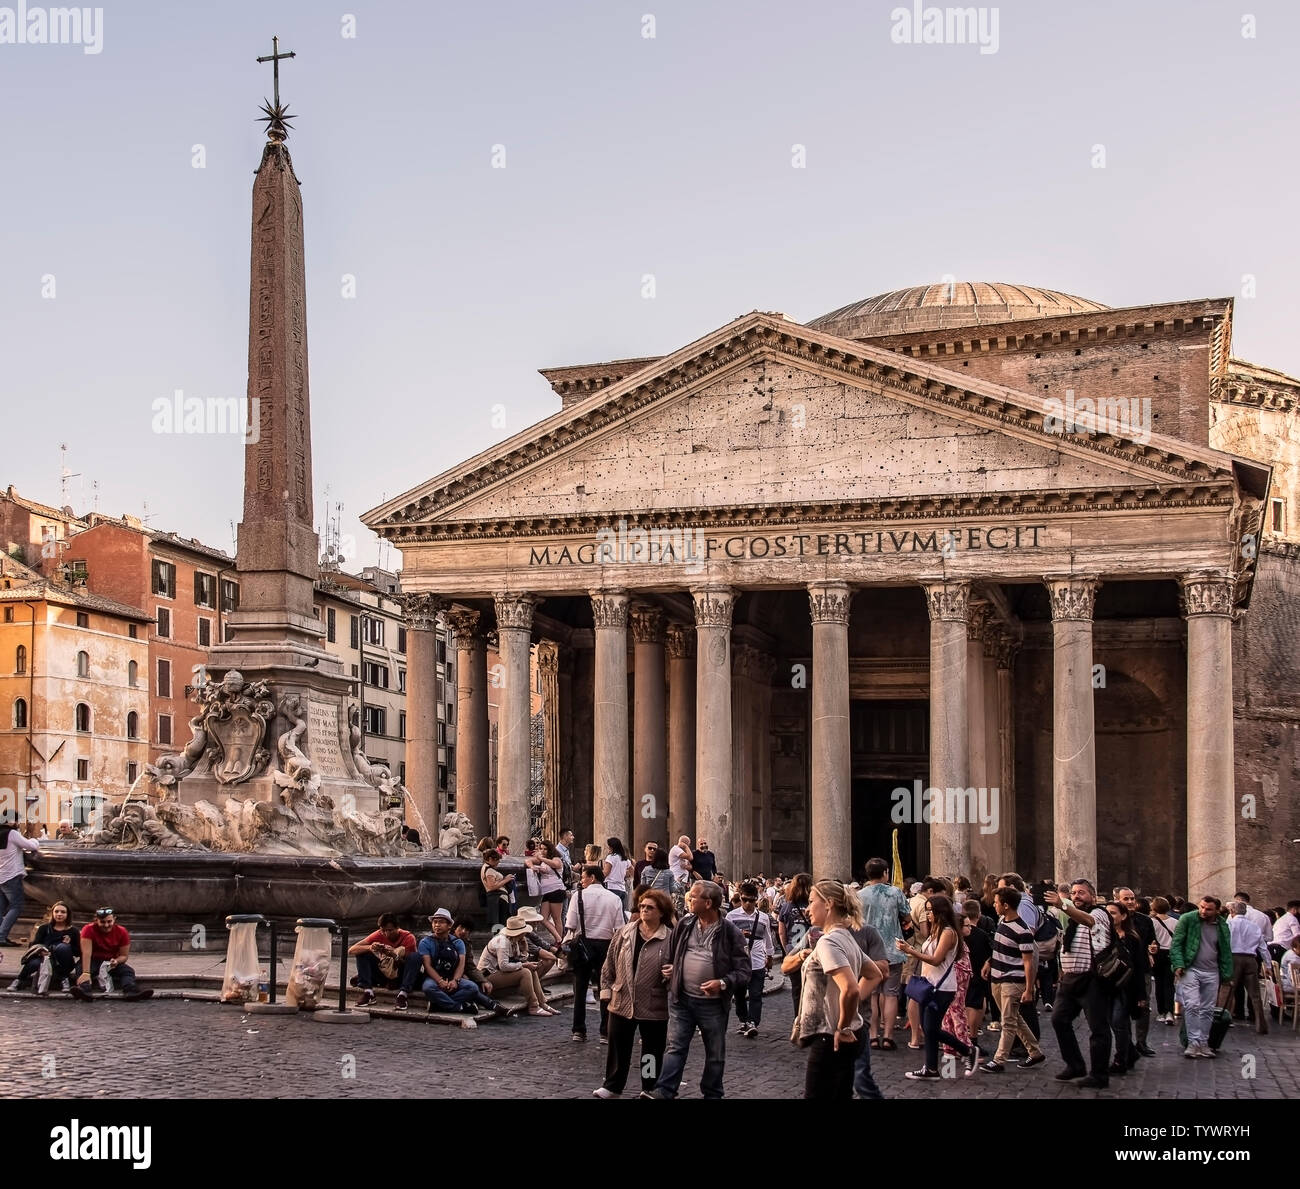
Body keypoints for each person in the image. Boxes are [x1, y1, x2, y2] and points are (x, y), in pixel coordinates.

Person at [641, 881, 749, 1100]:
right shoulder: (685, 924)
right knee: (675, 1046)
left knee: (715, 1053)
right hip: (682, 998)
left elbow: (744, 970)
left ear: (708, 903)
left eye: (693, 897)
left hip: (713, 1003)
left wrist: (722, 982)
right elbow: (672, 954)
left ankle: (712, 1093)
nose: (688, 900)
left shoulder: (730, 932)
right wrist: (672, 970)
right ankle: (664, 1090)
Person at [786, 880, 866, 1099]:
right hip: (847, 1034)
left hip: (830, 1036)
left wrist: (843, 1026)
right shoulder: (846, 937)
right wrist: (849, 1013)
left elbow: (850, 988)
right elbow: (875, 974)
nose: (807, 908)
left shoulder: (827, 942)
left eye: (812, 902)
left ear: (828, 904)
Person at [594, 887, 674, 1098]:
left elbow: (678, 967)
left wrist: (672, 973)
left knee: (651, 1050)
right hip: (622, 998)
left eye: (650, 907)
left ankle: (648, 1085)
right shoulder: (625, 932)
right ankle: (612, 1086)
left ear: (662, 912)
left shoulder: (670, 939)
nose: (644, 910)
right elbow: (608, 964)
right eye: (642, 906)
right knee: (618, 1047)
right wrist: (605, 992)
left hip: (653, 1002)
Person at [896, 894, 977, 1079]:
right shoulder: (936, 931)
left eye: (931, 910)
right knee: (928, 1027)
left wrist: (910, 951)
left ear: (941, 912)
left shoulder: (948, 932)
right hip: (929, 984)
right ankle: (931, 1068)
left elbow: (936, 959)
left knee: (932, 1028)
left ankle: (967, 1050)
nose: (928, 914)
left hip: (941, 988)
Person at [1045, 880, 1115, 1087]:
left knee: (1098, 1028)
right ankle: (1075, 1064)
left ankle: (1099, 1075)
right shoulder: (1073, 919)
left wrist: (1063, 905)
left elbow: (1089, 921)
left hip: (1093, 979)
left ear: (1092, 896)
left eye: (1082, 893)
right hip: (1070, 979)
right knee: (1059, 1020)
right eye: (1074, 893)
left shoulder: (1099, 913)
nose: (1077, 896)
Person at [565, 863, 625, 1043]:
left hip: (583, 944)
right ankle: (605, 1031)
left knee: (580, 988)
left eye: (583, 877)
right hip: (606, 946)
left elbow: (571, 924)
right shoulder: (614, 899)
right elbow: (619, 929)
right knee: (605, 989)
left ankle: (579, 1030)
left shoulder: (578, 896)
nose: (581, 881)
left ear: (592, 877)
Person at [858, 857, 911, 1052]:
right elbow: (907, 916)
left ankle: (872, 1036)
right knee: (890, 995)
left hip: (867, 951)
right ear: (886, 872)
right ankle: (888, 1036)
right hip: (891, 950)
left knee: (871, 995)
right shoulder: (895, 892)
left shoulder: (860, 895)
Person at [1171, 895, 1233, 1058]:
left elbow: (1225, 950)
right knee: (1192, 1005)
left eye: (1208, 909)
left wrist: (1227, 974)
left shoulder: (1222, 925)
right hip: (1190, 968)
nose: (1204, 911)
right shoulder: (1187, 919)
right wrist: (1178, 964)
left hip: (1212, 971)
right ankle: (1193, 1042)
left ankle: (1204, 1043)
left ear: (1217, 910)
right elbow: (1176, 943)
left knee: (1207, 1009)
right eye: (1202, 907)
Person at [418, 908, 503, 1015]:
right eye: (435, 922)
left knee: (473, 988)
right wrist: (440, 981)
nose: (437, 925)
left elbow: (465, 965)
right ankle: (460, 1007)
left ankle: (439, 1004)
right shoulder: (426, 942)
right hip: (434, 978)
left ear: (449, 925)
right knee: (428, 987)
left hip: (454, 977)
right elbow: (427, 965)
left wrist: (456, 980)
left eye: (441, 922)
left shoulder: (460, 943)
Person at [1103, 900, 1149, 1074]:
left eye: (1113, 913)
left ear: (1123, 916)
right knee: (1113, 1022)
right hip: (1107, 986)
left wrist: (1141, 995)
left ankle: (1120, 1060)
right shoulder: (1102, 935)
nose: (1109, 916)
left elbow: (1138, 967)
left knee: (1118, 1022)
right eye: (1107, 912)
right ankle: (1130, 1053)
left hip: (1125, 987)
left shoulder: (1131, 938)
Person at [478, 916, 558, 1015]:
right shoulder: (502, 941)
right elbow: (503, 965)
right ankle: (533, 1006)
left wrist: (524, 950)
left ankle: (542, 1002)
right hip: (487, 977)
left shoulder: (514, 941)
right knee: (525, 972)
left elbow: (518, 959)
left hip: (498, 972)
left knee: (530, 970)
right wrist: (523, 965)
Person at [71, 908, 153, 1001]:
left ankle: (131, 990)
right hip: (92, 959)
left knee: (128, 971)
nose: (106, 925)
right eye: (102, 922)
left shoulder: (122, 931)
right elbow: (86, 953)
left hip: (110, 962)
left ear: (114, 919)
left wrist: (116, 961)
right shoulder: (88, 929)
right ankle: (84, 990)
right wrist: (86, 972)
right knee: (81, 969)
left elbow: (124, 956)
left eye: (109, 922)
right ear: (96, 921)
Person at [725, 880, 771, 1038]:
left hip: (757, 961)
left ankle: (753, 1022)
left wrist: (769, 956)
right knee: (739, 995)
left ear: (756, 900)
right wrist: (739, 934)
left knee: (756, 994)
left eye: (751, 900)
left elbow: (768, 938)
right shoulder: (731, 916)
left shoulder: (763, 917)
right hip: (738, 963)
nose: (748, 904)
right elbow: (725, 938)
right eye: (745, 900)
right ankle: (744, 1020)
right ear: (740, 899)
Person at [347, 912, 421, 1009]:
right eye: (383, 930)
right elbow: (351, 950)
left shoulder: (408, 938)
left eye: (390, 930)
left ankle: (403, 994)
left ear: (397, 927)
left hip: (400, 974)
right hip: (384, 972)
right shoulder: (378, 934)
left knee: (415, 956)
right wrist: (370, 947)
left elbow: (410, 965)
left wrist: (394, 956)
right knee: (362, 953)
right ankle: (368, 992)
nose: (387, 934)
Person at [1115, 887, 1156, 1055]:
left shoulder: (1145, 921)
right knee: (1122, 1007)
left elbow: (1152, 942)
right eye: (1126, 899)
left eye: (1132, 898)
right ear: (1118, 900)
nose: (1131, 902)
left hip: (1142, 969)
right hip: (1120, 971)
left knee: (1143, 1005)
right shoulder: (1113, 920)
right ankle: (1127, 1043)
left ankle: (1141, 1042)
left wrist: (1153, 949)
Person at [1226, 899, 1271, 1035]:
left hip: (1234, 958)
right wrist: (1268, 965)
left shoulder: (1229, 924)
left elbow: (1224, 942)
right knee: (1255, 994)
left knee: (1229, 991)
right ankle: (1261, 1025)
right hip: (1251, 959)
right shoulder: (1254, 926)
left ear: (1232, 911)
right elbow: (1263, 948)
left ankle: (1224, 1019)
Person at [13, 901, 79, 992]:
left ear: (68, 914)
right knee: (34, 963)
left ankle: (64, 979)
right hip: (45, 958)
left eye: (63, 912)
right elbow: (33, 945)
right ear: (52, 913)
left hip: (63, 962)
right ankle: (19, 980)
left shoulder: (73, 931)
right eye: (56, 912)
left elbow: (78, 952)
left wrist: (69, 945)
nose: (59, 914)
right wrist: (41, 950)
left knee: (63, 947)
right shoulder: (44, 928)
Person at [0, 810, 39, 946]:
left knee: (1, 907)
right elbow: (31, 846)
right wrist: (35, 839)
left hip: (1, 876)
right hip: (11, 875)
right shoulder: (12, 833)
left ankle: (2, 935)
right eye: (16, 820)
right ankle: (1, 936)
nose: (17, 823)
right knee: (17, 906)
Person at [779, 872, 813, 1013]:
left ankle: (797, 1019)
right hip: (811, 951)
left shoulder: (787, 907)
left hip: (793, 950)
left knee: (797, 990)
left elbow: (781, 932)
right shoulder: (812, 905)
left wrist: (787, 950)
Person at [962, 898, 993, 1044]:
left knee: (972, 1003)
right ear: (978, 915)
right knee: (975, 1004)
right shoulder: (982, 935)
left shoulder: (958, 934)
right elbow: (991, 953)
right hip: (979, 973)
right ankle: (972, 1036)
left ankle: (967, 1033)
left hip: (966, 973)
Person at [524, 840, 567, 945]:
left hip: (557, 890)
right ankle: (558, 938)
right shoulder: (542, 860)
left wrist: (541, 858)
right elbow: (528, 861)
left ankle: (558, 942)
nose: (542, 851)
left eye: (545, 849)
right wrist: (532, 866)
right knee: (543, 918)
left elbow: (555, 864)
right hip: (546, 891)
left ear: (550, 849)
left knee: (557, 918)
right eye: (541, 849)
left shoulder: (556, 858)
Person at [1149, 896, 1177, 1024]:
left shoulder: (1152, 922)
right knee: (1169, 984)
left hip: (1157, 953)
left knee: (1159, 984)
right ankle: (1170, 1012)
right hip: (1170, 953)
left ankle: (1161, 1012)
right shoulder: (1175, 922)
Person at [480, 848, 514, 928]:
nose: (498, 863)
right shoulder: (489, 871)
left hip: (497, 899)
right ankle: (499, 939)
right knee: (501, 923)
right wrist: (506, 880)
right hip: (498, 899)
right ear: (490, 859)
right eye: (497, 860)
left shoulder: (486, 868)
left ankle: (498, 938)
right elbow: (492, 886)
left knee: (498, 924)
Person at [602, 837, 632, 909]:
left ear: (611, 847)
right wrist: (623, 873)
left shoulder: (611, 857)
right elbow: (632, 871)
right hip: (622, 889)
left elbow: (606, 873)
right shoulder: (625, 859)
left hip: (611, 887)